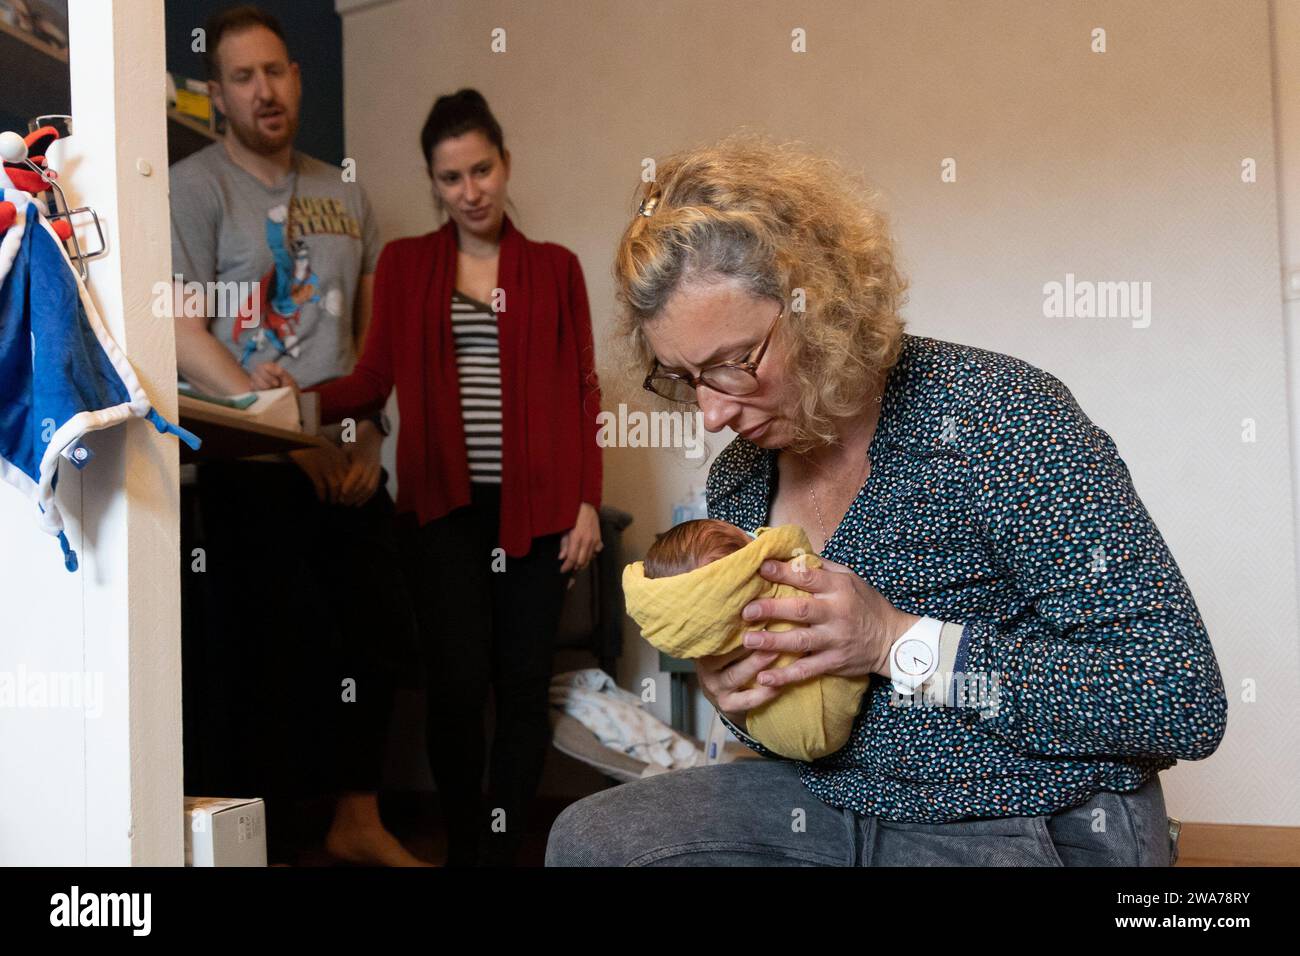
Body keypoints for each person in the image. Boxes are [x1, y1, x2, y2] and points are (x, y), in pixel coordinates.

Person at [545, 133, 1228, 866]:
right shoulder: (743, 475)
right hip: (836, 807)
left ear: (817, 303)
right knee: (590, 840)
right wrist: (737, 696)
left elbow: (1178, 696)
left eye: (734, 363)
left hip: (1028, 814)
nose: (711, 413)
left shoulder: (1000, 417)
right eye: (683, 378)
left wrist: (898, 643)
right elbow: (795, 723)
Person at [305, 89, 605, 866]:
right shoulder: (407, 266)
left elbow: (583, 390)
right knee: (458, 686)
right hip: (444, 512)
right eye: (451, 177)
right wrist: (292, 398)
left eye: (481, 169)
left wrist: (585, 504)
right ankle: (468, 848)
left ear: (506, 165)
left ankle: (502, 850)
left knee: (521, 682)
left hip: (539, 512)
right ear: (433, 183)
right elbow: (370, 377)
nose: (470, 191)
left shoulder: (555, 268)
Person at [170, 5, 426, 866]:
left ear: (298, 78)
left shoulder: (343, 190)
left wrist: (367, 441)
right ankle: (264, 837)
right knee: (270, 646)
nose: (264, 89)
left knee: (378, 631)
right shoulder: (193, 186)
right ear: (219, 94)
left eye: (276, 70)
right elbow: (179, 329)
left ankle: (357, 819)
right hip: (248, 461)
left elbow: (362, 339)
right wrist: (286, 433)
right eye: (243, 77)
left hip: (342, 452)